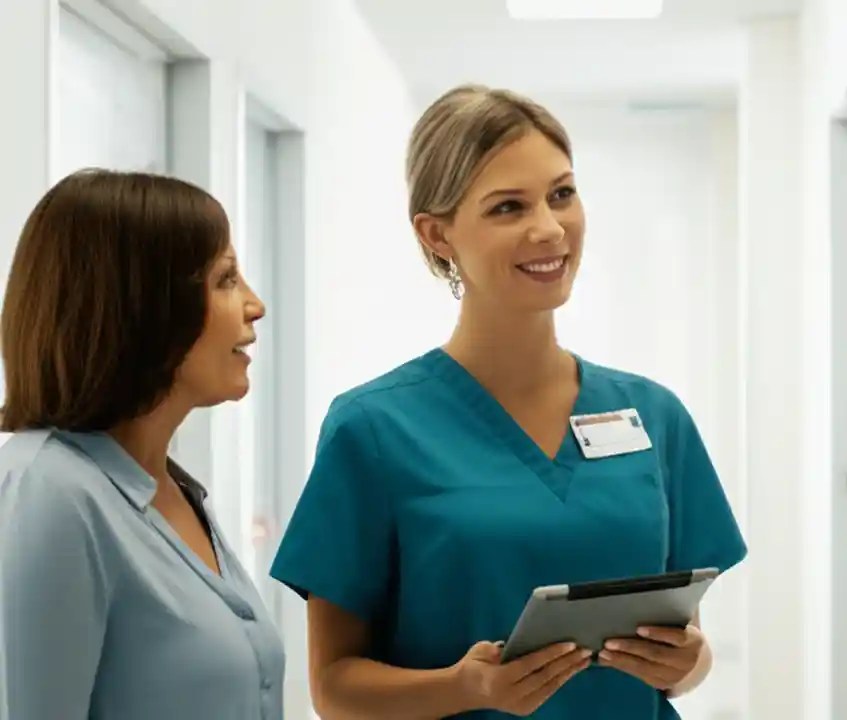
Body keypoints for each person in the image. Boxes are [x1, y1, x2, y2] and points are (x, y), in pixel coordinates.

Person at [269, 84, 747, 720]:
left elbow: (688, 653)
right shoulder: (373, 430)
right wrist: (467, 688)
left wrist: (690, 663)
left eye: (562, 195)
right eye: (507, 208)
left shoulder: (655, 416)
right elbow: (334, 688)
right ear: (438, 234)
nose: (549, 229)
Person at [0, 170, 282, 718]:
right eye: (225, 280)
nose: (255, 305)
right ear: (146, 305)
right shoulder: (50, 494)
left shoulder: (173, 490)